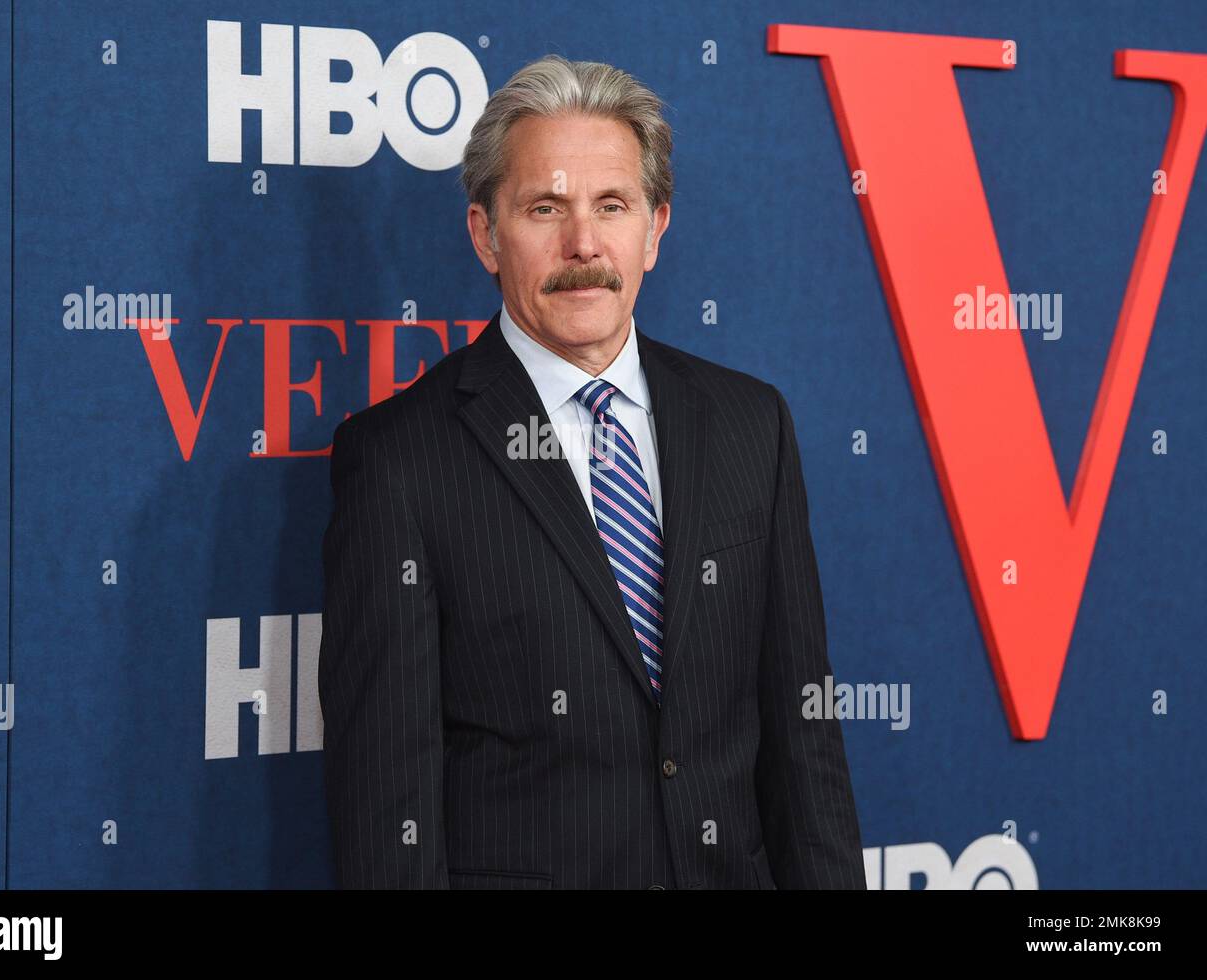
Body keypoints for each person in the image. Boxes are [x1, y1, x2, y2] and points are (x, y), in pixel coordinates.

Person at [319, 54, 865, 889]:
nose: (583, 244)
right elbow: (384, 793)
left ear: (655, 228)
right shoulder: (398, 459)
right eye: (546, 208)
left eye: (612, 205)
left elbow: (805, 737)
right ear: (485, 234)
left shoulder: (751, 425)